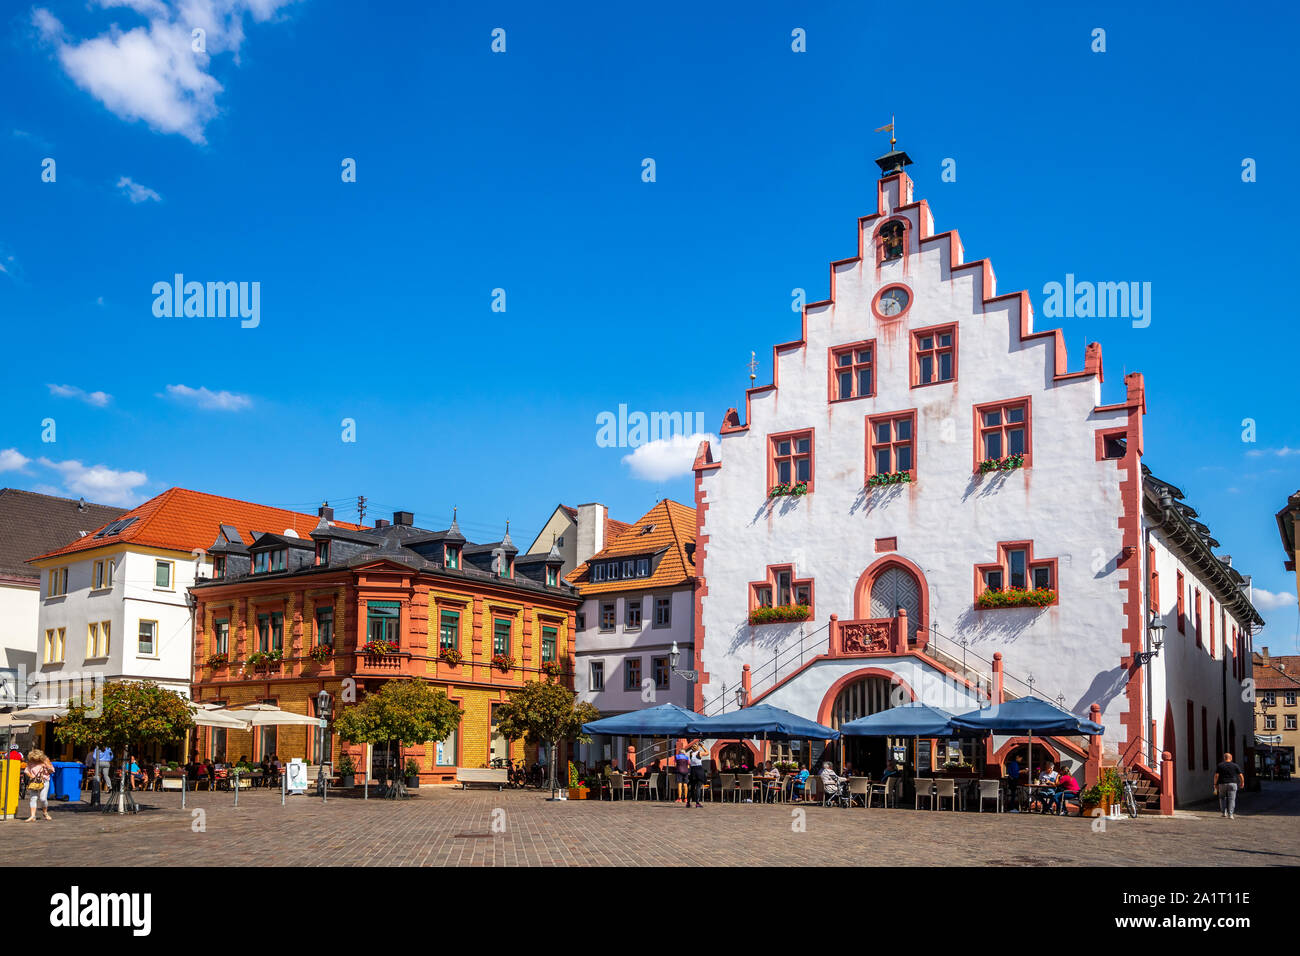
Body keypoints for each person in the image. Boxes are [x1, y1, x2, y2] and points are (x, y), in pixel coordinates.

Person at [22, 749, 54, 822]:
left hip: (44, 781)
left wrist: (47, 766)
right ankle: (33, 816)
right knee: (33, 798)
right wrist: (31, 775)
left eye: (36, 759)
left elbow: (52, 770)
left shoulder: (45, 760)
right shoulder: (31, 761)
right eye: (33, 759)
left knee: (43, 799)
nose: (35, 760)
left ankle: (45, 813)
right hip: (34, 782)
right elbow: (26, 770)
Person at [1214, 752, 1244, 819]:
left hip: (1222, 784)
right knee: (1232, 799)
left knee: (1222, 798)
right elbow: (1240, 775)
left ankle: (1223, 812)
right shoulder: (1235, 765)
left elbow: (1216, 775)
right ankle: (1230, 814)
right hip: (1233, 784)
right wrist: (1242, 782)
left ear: (1224, 758)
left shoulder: (1220, 765)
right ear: (1231, 758)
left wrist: (1215, 784)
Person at [687, 740, 707, 808]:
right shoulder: (699, 753)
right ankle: (697, 803)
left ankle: (688, 802)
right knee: (698, 787)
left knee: (691, 788)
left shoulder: (690, 753)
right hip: (699, 771)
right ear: (698, 748)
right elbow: (707, 753)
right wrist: (702, 746)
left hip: (693, 771)